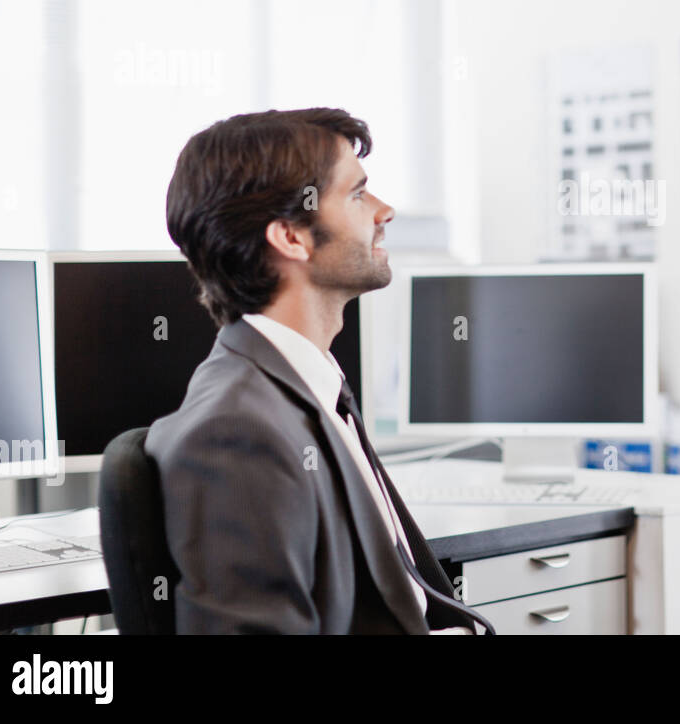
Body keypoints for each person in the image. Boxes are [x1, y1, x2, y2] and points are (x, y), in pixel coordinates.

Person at [149, 107, 493, 634]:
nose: (385, 210)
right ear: (291, 237)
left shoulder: (309, 387)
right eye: (357, 194)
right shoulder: (237, 431)